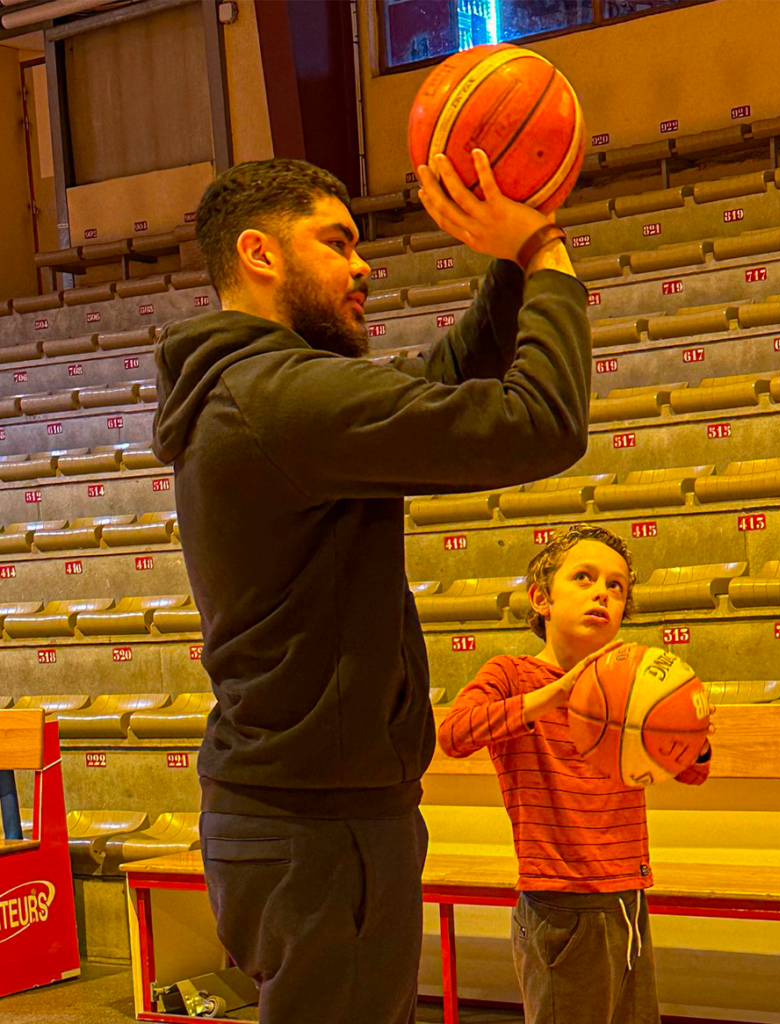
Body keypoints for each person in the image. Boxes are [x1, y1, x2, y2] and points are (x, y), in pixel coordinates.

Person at [151, 150, 592, 1024]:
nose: (363, 267)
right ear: (260, 254)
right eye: (338, 243)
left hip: (311, 817)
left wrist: (505, 261)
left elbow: (442, 381)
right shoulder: (278, 397)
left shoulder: (265, 391)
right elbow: (541, 423)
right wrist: (543, 253)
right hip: (314, 830)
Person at [438, 524, 713, 1024]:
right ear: (541, 599)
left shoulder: (630, 680)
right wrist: (554, 696)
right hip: (559, 904)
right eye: (584, 578)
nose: (602, 593)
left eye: (616, 586)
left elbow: (697, 773)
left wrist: (685, 729)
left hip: (629, 896)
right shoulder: (511, 675)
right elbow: (453, 735)